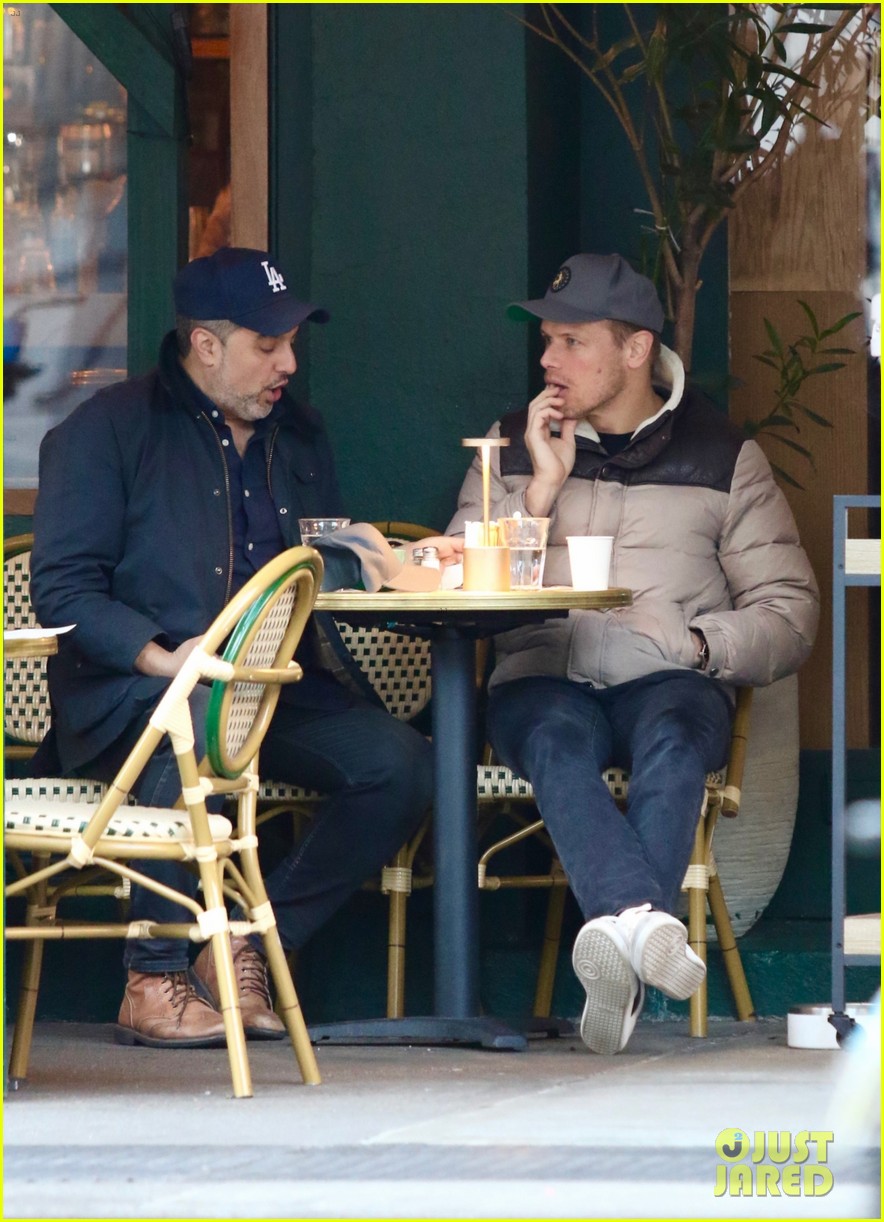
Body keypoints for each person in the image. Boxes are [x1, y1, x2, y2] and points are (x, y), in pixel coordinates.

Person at [30, 246, 460, 1050]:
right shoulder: (107, 431)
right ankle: (151, 976)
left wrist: (377, 563)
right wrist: (166, 653)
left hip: (274, 688)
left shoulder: (298, 435)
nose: (288, 363)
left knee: (403, 765)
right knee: (197, 709)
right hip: (137, 698)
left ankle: (246, 948)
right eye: (269, 346)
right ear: (206, 345)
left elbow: (314, 562)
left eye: (292, 342)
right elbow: (63, 592)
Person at [448, 253, 819, 1055]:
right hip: (544, 675)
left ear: (636, 350)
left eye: (572, 342)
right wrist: (539, 495)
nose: (548, 361)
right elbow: (455, 573)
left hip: (669, 681)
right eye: (547, 341)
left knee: (678, 733)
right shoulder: (512, 447)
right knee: (552, 738)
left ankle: (618, 934)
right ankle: (645, 924)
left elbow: (790, 614)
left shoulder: (724, 456)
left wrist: (697, 642)